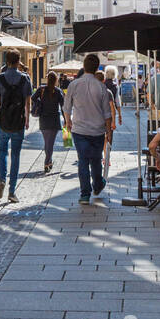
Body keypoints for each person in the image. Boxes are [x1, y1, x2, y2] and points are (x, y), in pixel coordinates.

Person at [64, 53, 112, 205]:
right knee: (96, 160)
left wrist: (68, 122)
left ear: (83, 67)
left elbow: (66, 108)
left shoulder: (74, 85)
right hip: (97, 130)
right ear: (97, 67)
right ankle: (97, 185)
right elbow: (107, 113)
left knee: (83, 161)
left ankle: (85, 194)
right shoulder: (101, 87)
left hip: (79, 130)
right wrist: (109, 131)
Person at [0, 49, 32, 203]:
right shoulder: (25, 79)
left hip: (3, 122)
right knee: (16, 155)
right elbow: (28, 102)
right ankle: (12, 191)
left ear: (6, 61)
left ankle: (2, 179)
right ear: (18, 61)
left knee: (2, 152)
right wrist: (27, 120)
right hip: (18, 122)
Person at [32, 72, 65, 171]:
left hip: (44, 119)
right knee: (50, 143)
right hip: (54, 119)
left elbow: (33, 98)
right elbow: (63, 107)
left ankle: (49, 161)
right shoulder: (58, 91)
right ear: (56, 80)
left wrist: (40, 103)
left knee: (47, 142)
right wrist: (66, 120)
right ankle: (47, 162)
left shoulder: (41, 89)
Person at [103, 65, 123, 129]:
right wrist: (119, 115)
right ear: (114, 74)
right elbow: (117, 101)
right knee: (109, 132)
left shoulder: (101, 84)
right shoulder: (115, 86)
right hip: (110, 112)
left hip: (100, 111)